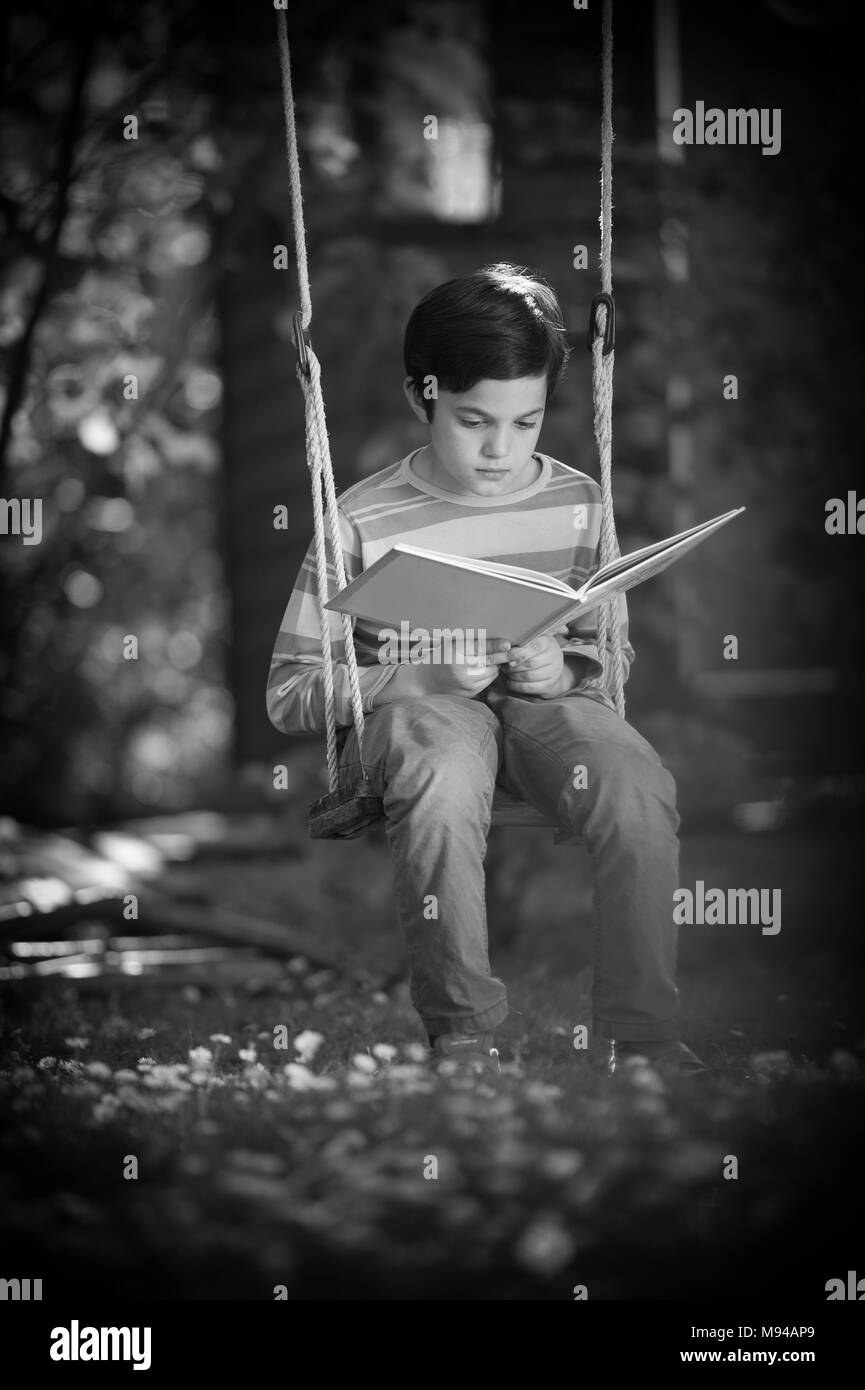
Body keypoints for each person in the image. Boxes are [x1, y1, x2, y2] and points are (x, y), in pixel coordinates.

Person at [266, 262, 706, 1080]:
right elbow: (291, 690)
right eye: (472, 421)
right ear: (419, 396)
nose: (500, 450)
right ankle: (462, 1034)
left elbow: (609, 655)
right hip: (427, 722)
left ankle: (642, 1035)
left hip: (544, 715)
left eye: (526, 422)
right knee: (437, 770)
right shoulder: (361, 516)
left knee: (635, 784)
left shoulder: (577, 504)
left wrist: (561, 664)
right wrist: (417, 680)